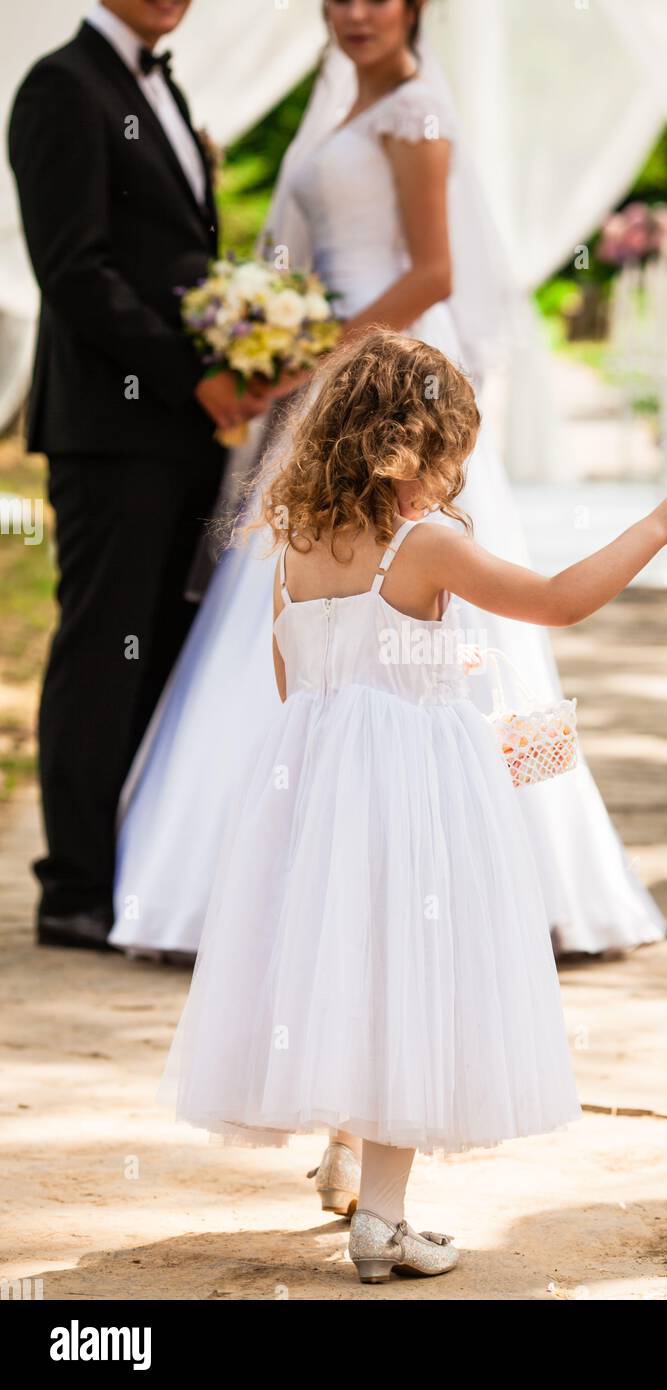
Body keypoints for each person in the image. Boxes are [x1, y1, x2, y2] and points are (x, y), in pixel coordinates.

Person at [111, 0, 666, 972]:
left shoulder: (416, 112)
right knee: (297, 596)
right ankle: (259, 879)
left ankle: (491, 871)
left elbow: (434, 270)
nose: (355, 12)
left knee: (441, 600)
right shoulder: (332, 113)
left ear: (413, 7)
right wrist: (275, 335)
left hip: (388, 381)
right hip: (334, 380)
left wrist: (306, 358)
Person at [158, 328, 667, 1283]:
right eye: (451, 450)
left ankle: (344, 1148)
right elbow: (554, 600)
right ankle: (381, 1221)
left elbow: (295, 676)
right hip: (412, 788)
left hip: (312, 786)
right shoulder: (425, 543)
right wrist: (658, 526)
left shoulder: (298, 542)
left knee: (344, 962)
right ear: (415, 444)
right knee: (409, 981)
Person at [7, 0, 270, 948]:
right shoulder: (59, 88)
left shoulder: (161, 84)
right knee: (102, 649)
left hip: (185, 431)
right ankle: (73, 888)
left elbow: (173, 262)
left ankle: (137, 870)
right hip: (111, 430)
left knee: (161, 648)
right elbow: (73, 269)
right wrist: (193, 375)